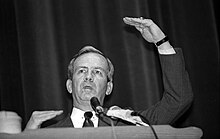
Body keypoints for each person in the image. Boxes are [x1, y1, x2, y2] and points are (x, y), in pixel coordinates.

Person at [24, 17, 193, 130]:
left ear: (109, 87)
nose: (88, 76)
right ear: (69, 85)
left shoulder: (130, 124)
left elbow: (178, 100)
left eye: (97, 72)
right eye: (82, 71)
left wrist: (161, 42)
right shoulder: (48, 134)